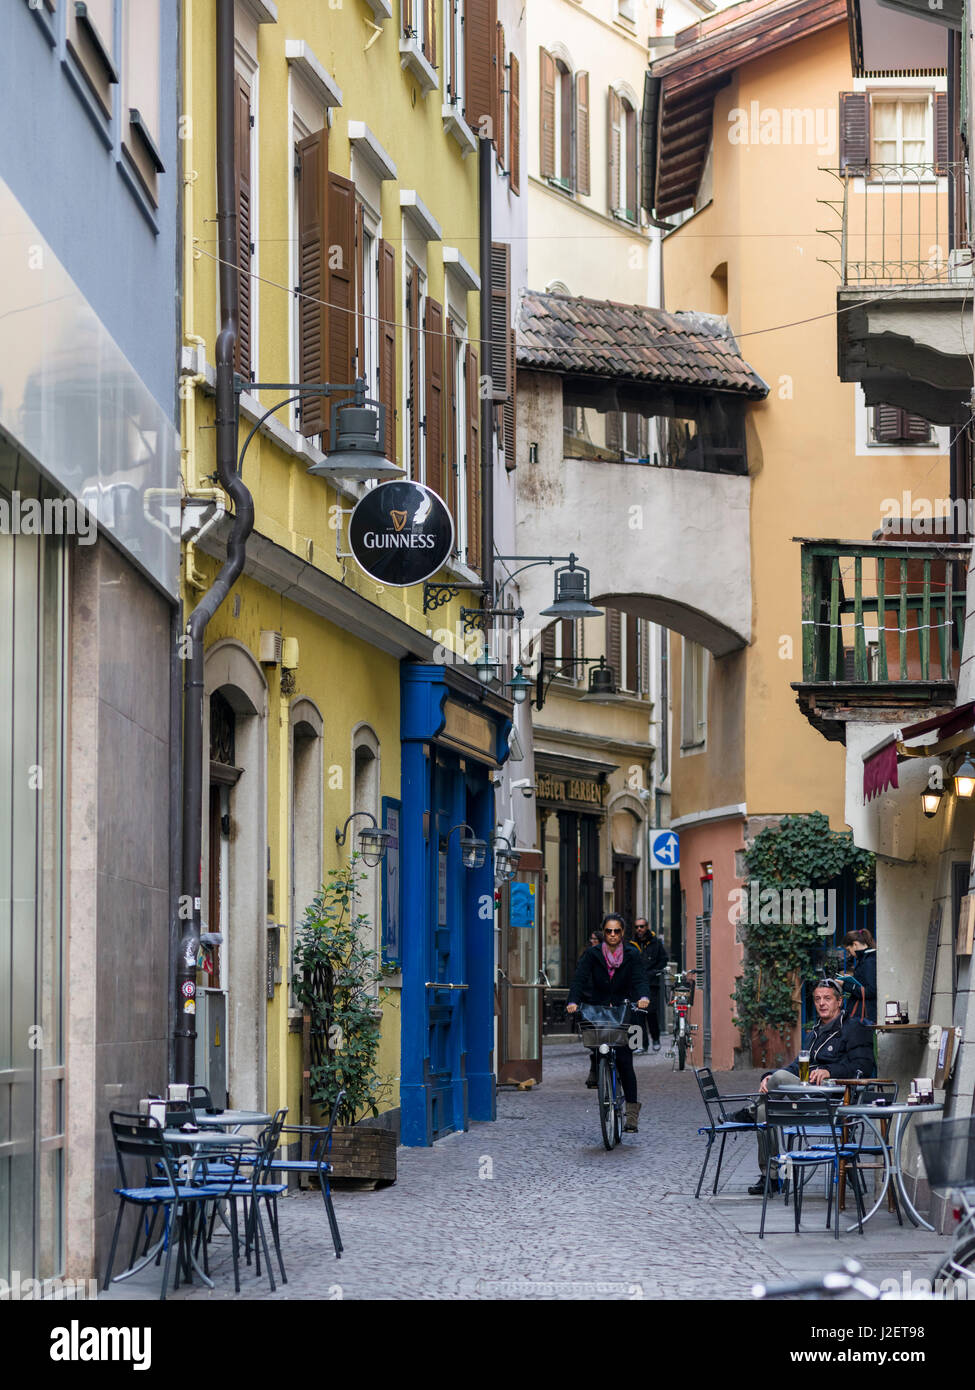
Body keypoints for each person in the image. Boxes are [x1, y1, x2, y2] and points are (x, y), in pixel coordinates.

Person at [737, 978, 876, 1194]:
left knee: (776, 1087)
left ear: (839, 1002)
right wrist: (768, 1076)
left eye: (827, 999)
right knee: (766, 1110)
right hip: (807, 1097)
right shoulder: (814, 1033)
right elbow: (795, 1067)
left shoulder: (853, 1027)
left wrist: (830, 1071)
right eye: (818, 999)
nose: (822, 1003)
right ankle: (771, 1177)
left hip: (833, 1100)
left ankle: (749, 1111)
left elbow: (864, 1066)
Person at [567, 914, 651, 1132]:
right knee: (595, 1039)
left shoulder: (632, 953)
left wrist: (643, 997)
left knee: (625, 1061)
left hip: (625, 1009)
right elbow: (579, 978)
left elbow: (641, 978)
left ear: (622, 933)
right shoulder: (593, 954)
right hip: (600, 1008)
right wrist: (573, 1001)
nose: (612, 935)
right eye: (608, 931)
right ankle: (596, 1065)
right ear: (603, 933)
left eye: (616, 931)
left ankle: (631, 1113)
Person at [631, 919, 668, 1051]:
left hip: (651, 983)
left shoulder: (655, 943)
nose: (639, 929)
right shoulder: (631, 944)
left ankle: (656, 1038)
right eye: (637, 927)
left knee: (651, 1012)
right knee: (638, 1014)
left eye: (641, 926)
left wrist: (654, 971)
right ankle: (642, 1044)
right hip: (635, 984)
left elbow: (664, 959)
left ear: (647, 927)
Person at [839, 929, 877, 1024]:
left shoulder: (869, 961)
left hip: (864, 1016)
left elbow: (871, 990)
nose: (850, 953)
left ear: (855, 944)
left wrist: (845, 984)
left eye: (848, 950)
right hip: (864, 1015)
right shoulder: (868, 959)